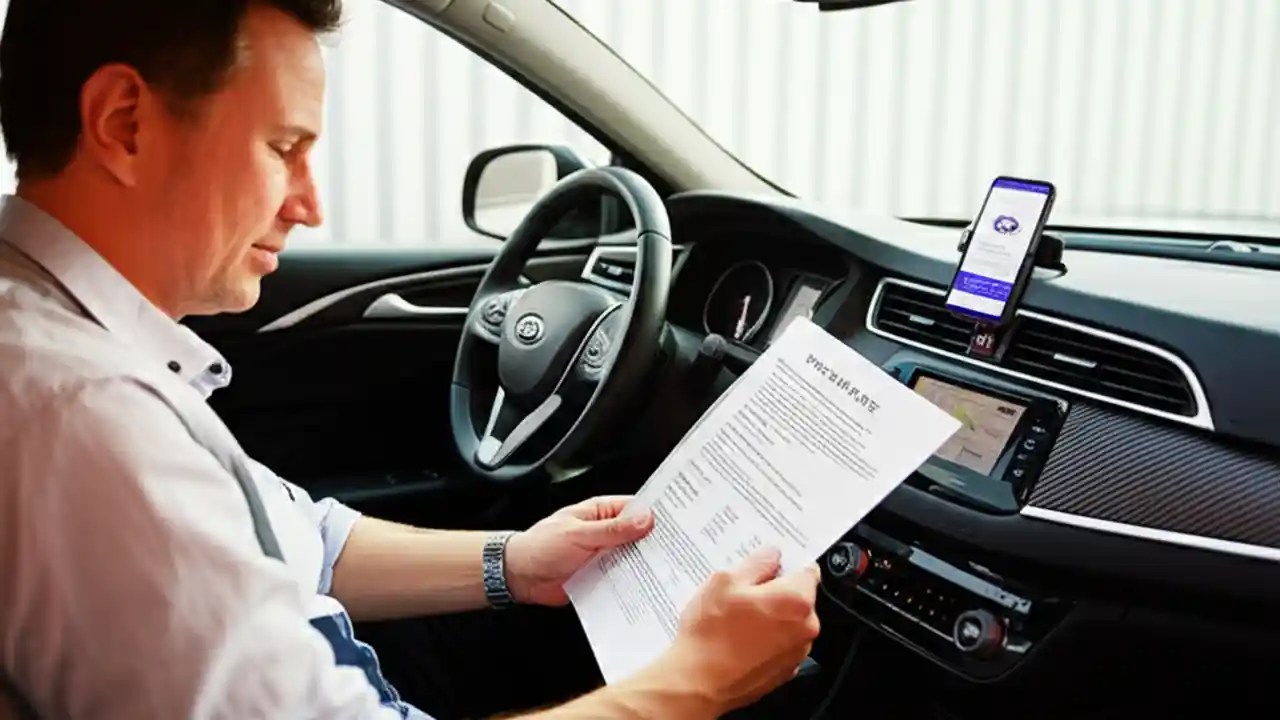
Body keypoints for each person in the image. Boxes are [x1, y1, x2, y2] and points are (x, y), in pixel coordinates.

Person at [0, 1, 822, 718]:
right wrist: (695, 683)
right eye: (283, 147)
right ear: (124, 124)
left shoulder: (68, 347)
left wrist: (515, 562)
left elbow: (305, 539)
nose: (309, 205)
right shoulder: (86, 420)